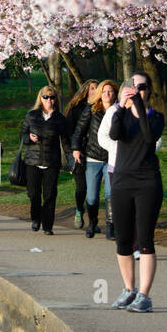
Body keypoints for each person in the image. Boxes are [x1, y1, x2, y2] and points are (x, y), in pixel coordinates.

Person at [109, 77, 165, 313]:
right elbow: (114, 134)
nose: (136, 91)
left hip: (147, 183)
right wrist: (121, 105)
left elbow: (149, 137)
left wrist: (138, 106)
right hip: (122, 181)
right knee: (123, 240)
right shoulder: (119, 113)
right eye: (132, 87)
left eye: (141, 88)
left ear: (149, 91)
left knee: (144, 240)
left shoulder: (156, 117)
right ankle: (129, 289)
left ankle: (145, 295)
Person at [19, 85, 70, 234]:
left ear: (56, 100)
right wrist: (28, 137)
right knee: (33, 194)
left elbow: (65, 141)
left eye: (52, 97)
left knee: (50, 195)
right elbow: (22, 134)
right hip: (32, 161)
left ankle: (48, 226)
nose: (49, 100)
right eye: (46, 97)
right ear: (40, 98)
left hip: (51, 161)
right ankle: (36, 218)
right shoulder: (31, 115)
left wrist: (71, 159)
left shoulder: (60, 119)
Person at [74, 79, 118, 238]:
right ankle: (92, 222)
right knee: (92, 195)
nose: (107, 94)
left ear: (115, 93)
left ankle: (111, 227)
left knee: (110, 193)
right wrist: (76, 148)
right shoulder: (92, 110)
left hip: (112, 158)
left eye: (110, 91)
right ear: (100, 93)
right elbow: (79, 130)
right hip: (93, 157)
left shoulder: (119, 111)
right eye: (104, 91)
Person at [64, 79, 99, 229]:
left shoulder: (101, 108)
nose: (95, 91)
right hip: (78, 152)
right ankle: (79, 209)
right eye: (92, 88)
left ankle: (93, 220)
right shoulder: (75, 108)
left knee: (93, 190)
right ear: (85, 91)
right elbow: (69, 133)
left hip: (95, 152)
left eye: (98, 88)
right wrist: (73, 151)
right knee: (81, 188)